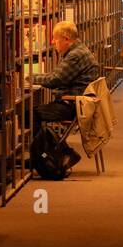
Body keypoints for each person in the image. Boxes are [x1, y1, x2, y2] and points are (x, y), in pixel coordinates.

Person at [34, 21, 101, 168]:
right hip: (81, 102)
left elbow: (54, 79)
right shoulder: (79, 50)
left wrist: (27, 78)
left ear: (66, 39)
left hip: (73, 104)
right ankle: (50, 153)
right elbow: (57, 76)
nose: (52, 42)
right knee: (36, 112)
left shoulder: (75, 56)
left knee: (33, 115)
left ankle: (52, 155)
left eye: (55, 38)